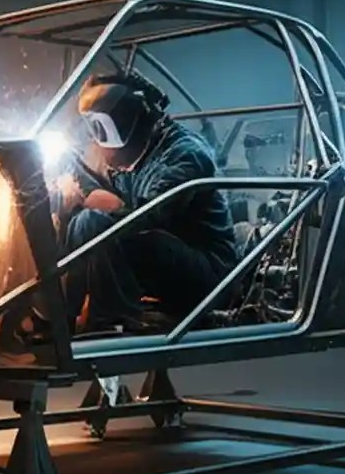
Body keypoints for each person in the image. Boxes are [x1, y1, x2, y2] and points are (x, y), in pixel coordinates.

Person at [56, 71, 237, 334]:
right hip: (158, 259)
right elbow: (91, 184)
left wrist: (108, 205)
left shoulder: (185, 155)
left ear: (129, 122)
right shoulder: (137, 150)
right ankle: (59, 320)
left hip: (208, 276)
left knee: (94, 220)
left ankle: (109, 324)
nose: (97, 141)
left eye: (101, 129)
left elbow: (149, 218)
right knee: (81, 220)